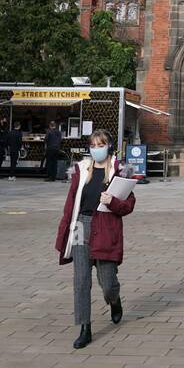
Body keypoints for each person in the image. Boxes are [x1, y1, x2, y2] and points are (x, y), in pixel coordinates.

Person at [53, 130, 135, 349]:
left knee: (107, 281)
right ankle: (84, 327)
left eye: (100, 144)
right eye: (92, 144)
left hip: (105, 226)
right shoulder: (81, 171)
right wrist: (64, 230)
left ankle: (114, 300)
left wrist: (113, 201)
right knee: (81, 279)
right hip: (81, 225)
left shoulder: (120, 172)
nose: (96, 148)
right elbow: (71, 203)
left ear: (109, 146)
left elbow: (128, 206)